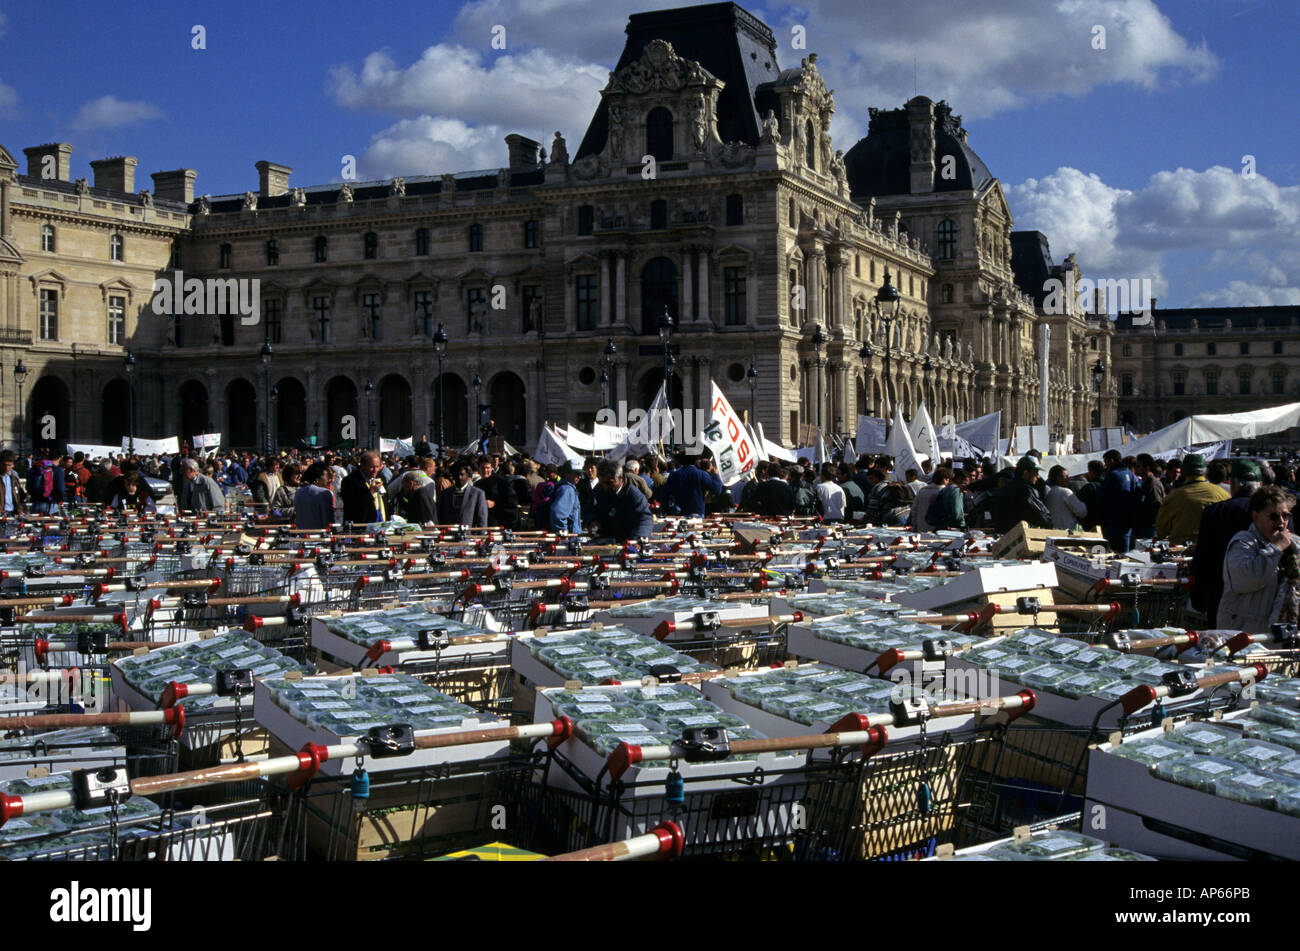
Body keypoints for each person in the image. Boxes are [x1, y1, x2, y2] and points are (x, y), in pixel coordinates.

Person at [1190, 459, 1266, 626]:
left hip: (1220, 590)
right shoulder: (1274, 515)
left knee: (1219, 644)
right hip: (1262, 593)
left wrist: (1197, 594)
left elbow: (1202, 556)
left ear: (1233, 484)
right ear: (1260, 485)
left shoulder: (1215, 512)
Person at [1220, 486, 1300, 634]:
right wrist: (1276, 548)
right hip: (1244, 633)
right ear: (1256, 516)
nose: (1281, 522)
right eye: (1274, 516)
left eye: (1286, 516)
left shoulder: (1295, 544)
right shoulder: (1243, 542)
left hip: (1281, 636)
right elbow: (1247, 579)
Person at [1156, 452, 1229, 546]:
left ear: (1183, 471)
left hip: (1181, 552)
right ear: (1205, 471)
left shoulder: (1173, 497)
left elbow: (1161, 531)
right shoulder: (1223, 494)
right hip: (1214, 550)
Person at [591, 458, 653, 542]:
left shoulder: (634, 495)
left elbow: (645, 518)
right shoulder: (599, 489)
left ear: (620, 478)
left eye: (609, 483)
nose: (605, 487)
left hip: (627, 540)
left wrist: (638, 538)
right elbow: (588, 508)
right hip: (605, 538)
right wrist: (591, 521)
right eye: (602, 483)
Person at [992, 457, 1052, 534]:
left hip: (1003, 537)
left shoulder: (1005, 488)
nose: (1038, 476)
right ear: (1026, 473)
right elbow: (1043, 518)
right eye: (1036, 472)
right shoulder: (1027, 490)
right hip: (1020, 538)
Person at [1097, 450, 1141, 553]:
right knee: (1125, 545)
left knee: (1114, 548)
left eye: (1106, 462)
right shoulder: (1129, 473)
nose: (1105, 465)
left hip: (1114, 519)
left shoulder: (1113, 474)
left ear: (1111, 461)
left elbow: (1104, 496)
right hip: (1128, 518)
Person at [341, 451, 388, 523]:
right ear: (362, 466)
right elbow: (352, 505)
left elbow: (386, 500)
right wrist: (370, 492)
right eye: (371, 467)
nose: (375, 470)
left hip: (381, 524)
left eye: (377, 466)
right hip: (361, 525)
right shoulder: (350, 481)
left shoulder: (381, 478)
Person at [1132, 454, 1166, 541]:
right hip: (1143, 527)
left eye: (1139, 466)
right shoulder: (1144, 483)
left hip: (1149, 529)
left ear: (1147, 467)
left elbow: (1156, 505)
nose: (1136, 468)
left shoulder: (1153, 484)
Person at [477, 457, 518, 528]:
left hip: (500, 522)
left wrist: (495, 504)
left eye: (488, 468)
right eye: (483, 468)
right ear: (478, 469)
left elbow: (512, 502)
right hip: (483, 522)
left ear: (492, 468)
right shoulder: (477, 484)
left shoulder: (502, 481)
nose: (485, 470)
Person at [294, 462, 336, 530]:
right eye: (326, 476)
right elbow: (329, 519)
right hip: (320, 535)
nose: (328, 479)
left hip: (302, 535)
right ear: (317, 478)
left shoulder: (298, 492)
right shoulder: (325, 493)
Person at [1045, 465, 1088, 530]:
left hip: (1054, 531)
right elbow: (1082, 512)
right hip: (1068, 532)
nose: (1069, 479)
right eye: (1066, 477)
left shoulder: (1049, 493)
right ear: (1059, 478)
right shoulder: (1065, 492)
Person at [926, 466, 966, 531]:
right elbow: (957, 514)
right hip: (951, 528)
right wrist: (962, 525)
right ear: (959, 479)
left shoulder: (945, 489)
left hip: (940, 525)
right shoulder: (956, 490)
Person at [548, 466, 582, 535]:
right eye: (576, 473)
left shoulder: (565, 487)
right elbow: (558, 515)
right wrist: (563, 533)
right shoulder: (567, 489)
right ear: (567, 474)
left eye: (580, 474)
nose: (579, 477)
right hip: (569, 537)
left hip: (569, 534)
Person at [0, 450, 24, 516]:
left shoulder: (14, 476)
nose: (6, 467)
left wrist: (19, 509)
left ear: (13, 465)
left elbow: (18, 494)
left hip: (12, 511)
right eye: (4, 465)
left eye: (9, 465)